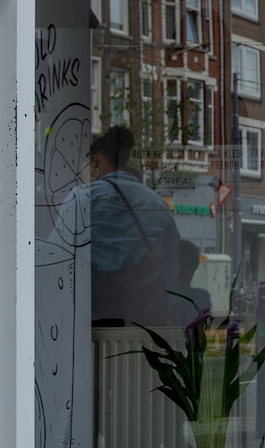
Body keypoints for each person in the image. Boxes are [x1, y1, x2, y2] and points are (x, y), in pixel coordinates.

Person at [66, 125, 200, 325]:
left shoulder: (81, 198)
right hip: (140, 322)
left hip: (86, 319)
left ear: (95, 161)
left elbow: (57, 260)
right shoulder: (159, 206)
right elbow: (173, 274)